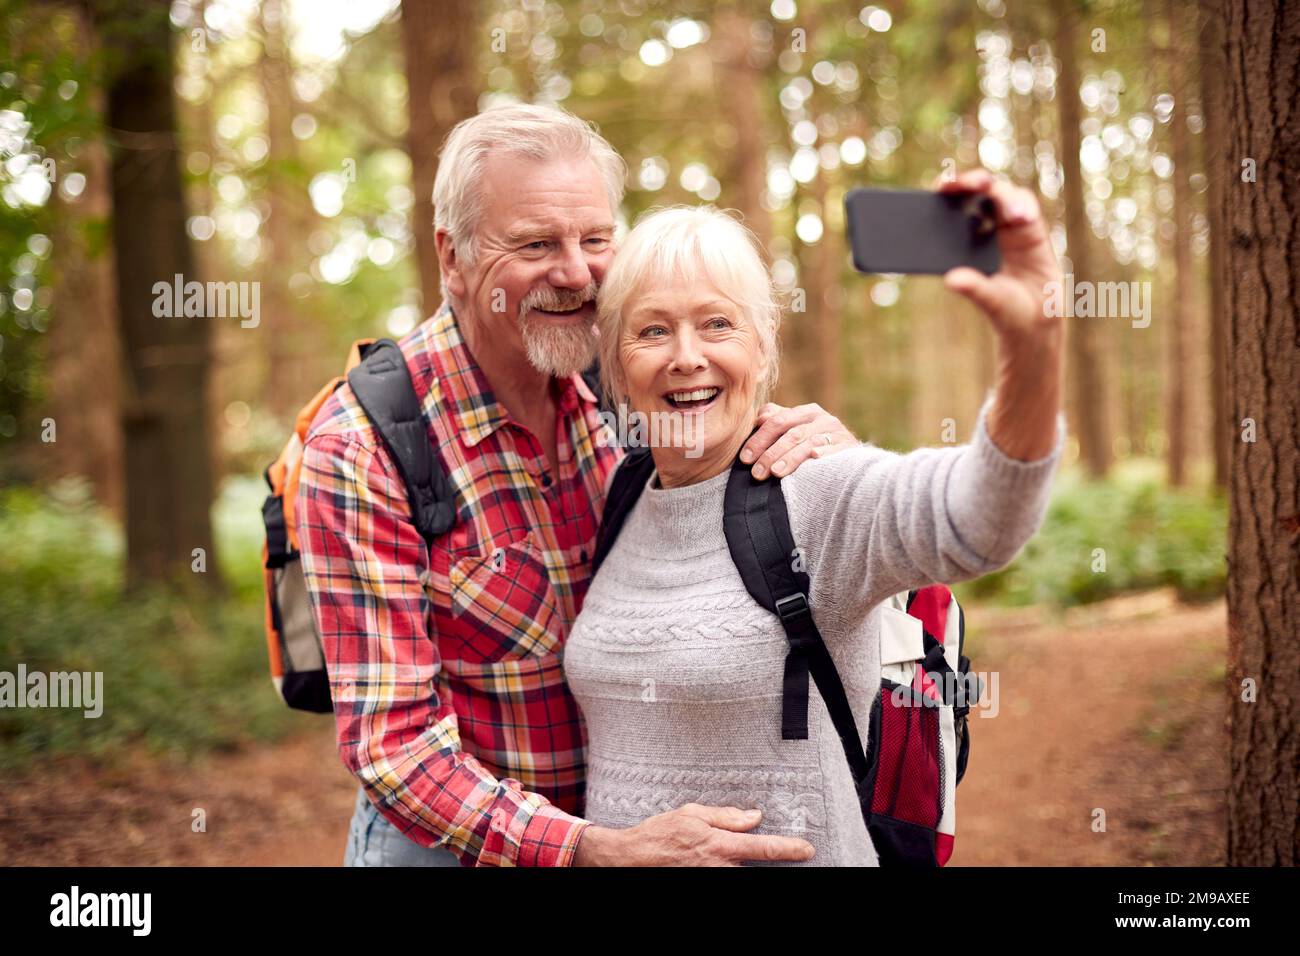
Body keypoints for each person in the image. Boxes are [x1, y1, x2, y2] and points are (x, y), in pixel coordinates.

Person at [295, 102, 853, 867]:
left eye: (596, 240)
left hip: (631, 831)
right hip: (451, 849)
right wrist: (589, 849)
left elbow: (740, 488)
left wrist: (827, 459)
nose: (576, 272)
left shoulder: (627, 389)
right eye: (535, 244)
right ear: (451, 258)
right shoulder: (362, 449)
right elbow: (393, 748)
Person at [563, 187, 1065, 866]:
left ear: (764, 347)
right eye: (653, 330)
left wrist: (1032, 348)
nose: (686, 356)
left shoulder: (818, 493)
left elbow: (979, 521)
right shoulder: (620, 497)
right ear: (617, 365)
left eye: (717, 324)